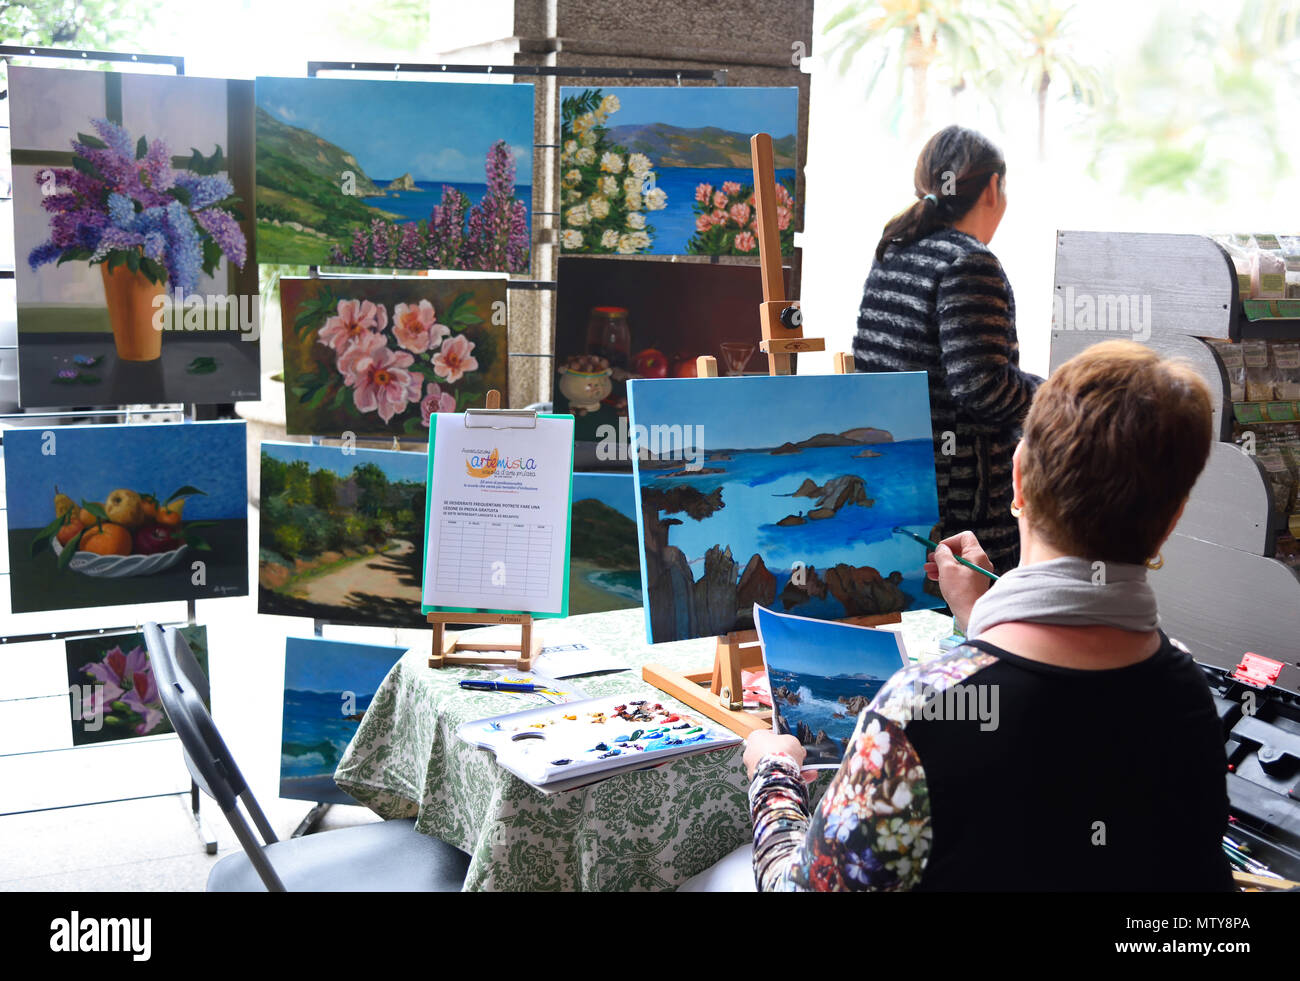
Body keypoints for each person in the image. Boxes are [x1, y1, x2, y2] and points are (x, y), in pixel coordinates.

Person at [744, 341, 1234, 891]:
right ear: (1172, 519)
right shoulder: (1190, 692)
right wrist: (978, 622)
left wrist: (774, 774)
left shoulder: (919, 713)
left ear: (1018, 477)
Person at [855, 125, 1041, 574]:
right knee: (977, 627)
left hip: (901, 479)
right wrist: (1055, 396)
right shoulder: (969, 262)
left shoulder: (896, 250)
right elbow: (982, 389)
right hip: (964, 506)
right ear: (993, 188)